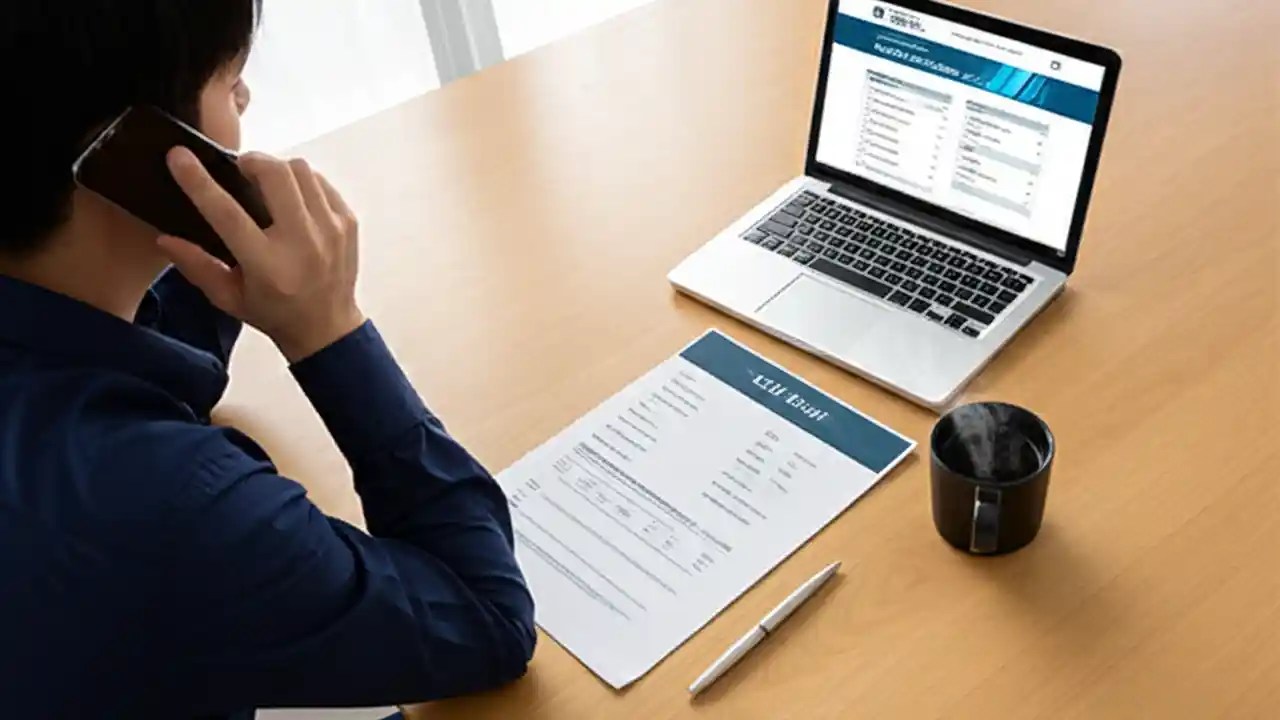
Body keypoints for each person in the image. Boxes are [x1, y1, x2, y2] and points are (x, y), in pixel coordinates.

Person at [0, 2, 535, 718]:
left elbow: (170, 346)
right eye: (230, 81)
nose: (247, 97)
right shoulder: (168, 495)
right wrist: (329, 327)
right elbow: (486, 619)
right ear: (131, 150)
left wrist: (231, 237)